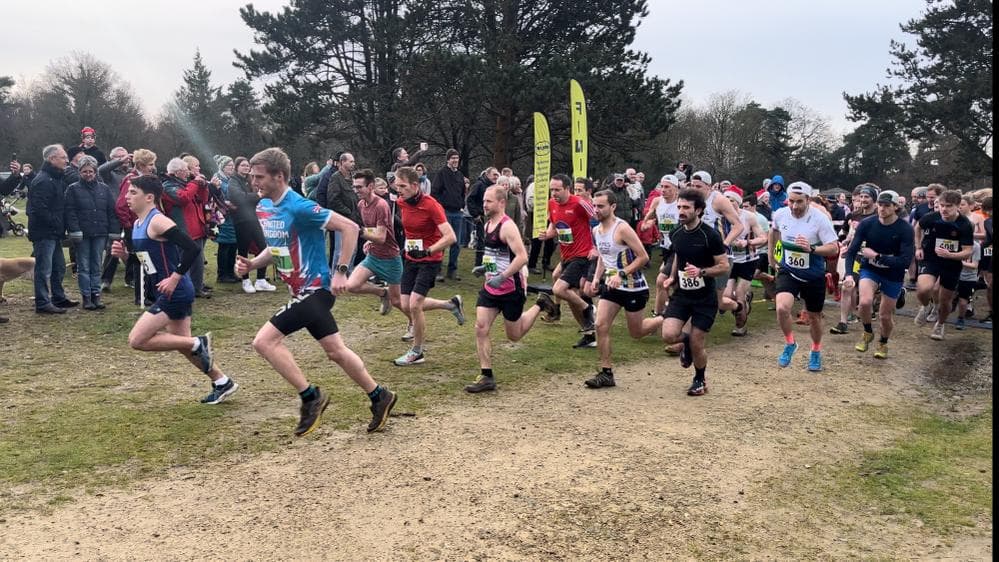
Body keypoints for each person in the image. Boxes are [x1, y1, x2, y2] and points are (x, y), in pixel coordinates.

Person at [237, 147, 397, 435]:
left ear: (279, 176)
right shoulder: (264, 207)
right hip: (298, 291)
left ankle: (311, 397)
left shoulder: (299, 206)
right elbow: (277, 247)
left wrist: (341, 271)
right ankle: (379, 395)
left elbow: (349, 227)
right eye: (252, 176)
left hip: (315, 290)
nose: (254, 182)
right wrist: (253, 263)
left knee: (264, 342)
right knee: (336, 351)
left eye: (259, 177)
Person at [110, 175, 238, 405]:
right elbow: (146, 261)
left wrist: (174, 277)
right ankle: (222, 381)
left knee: (137, 340)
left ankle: (198, 342)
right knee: (184, 345)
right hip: (165, 290)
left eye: (133, 192)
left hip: (175, 292)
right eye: (128, 192)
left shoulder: (158, 221)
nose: (127, 197)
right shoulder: (138, 224)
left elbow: (192, 248)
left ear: (149, 197)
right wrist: (125, 256)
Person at [465, 186, 545, 393]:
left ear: (501, 203)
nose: (484, 205)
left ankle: (540, 304)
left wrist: (502, 277)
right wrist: (484, 268)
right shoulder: (487, 224)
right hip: (490, 289)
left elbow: (522, 257)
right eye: (484, 201)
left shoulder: (508, 227)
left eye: (489, 201)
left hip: (511, 289)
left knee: (514, 336)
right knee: (480, 327)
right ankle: (486, 376)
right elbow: (495, 255)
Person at [582, 190, 662, 388]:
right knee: (600, 325)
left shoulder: (622, 228)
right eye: (594, 206)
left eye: (601, 206)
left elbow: (643, 257)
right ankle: (606, 372)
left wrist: (621, 274)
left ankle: (665, 318)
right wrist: (596, 278)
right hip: (612, 287)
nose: (596, 210)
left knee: (637, 332)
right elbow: (603, 257)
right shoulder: (596, 230)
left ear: (613, 207)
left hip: (633, 287)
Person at [659, 188, 730, 396]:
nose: (681, 211)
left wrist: (702, 272)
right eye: (679, 207)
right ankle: (686, 344)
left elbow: (724, 266)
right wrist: (672, 277)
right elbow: (678, 257)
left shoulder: (710, 235)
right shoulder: (676, 233)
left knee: (697, 341)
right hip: (682, 295)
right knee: (668, 335)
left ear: (698, 210)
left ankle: (699, 379)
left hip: (705, 298)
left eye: (686, 208)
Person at [394, 166, 465, 365]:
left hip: (430, 260)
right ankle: (450, 304)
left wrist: (428, 251)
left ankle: (417, 351)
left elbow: (450, 237)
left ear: (415, 185)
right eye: (397, 186)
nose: (399, 190)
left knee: (415, 305)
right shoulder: (401, 202)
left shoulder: (431, 205)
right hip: (411, 258)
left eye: (403, 186)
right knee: (405, 304)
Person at [769, 182, 840, 372]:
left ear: (808, 200)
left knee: (814, 317)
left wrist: (812, 249)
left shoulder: (820, 219)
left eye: (799, 202)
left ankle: (815, 350)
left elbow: (834, 248)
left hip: (813, 275)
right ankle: (790, 343)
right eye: (791, 201)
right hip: (789, 271)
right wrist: (772, 258)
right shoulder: (780, 214)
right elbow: (774, 232)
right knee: (782, 307)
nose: (794, 206)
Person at [844, 191, 915, 359]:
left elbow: (905, 261)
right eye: (880, 205)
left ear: (896, 207)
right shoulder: (867, 223)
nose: (882, 209)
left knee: (884, 315)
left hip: (893, 273)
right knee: (865, 302)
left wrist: (877, 256)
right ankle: (867, 332)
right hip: (870, 270)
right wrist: (848, 275)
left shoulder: (905, 229)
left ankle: (883, 342)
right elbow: (852, 251)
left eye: (887, 206)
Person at [537, 173, 598, 348]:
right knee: (571, 298)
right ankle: (589, 334)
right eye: (551, 190)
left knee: (559, 288)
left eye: (557, 190)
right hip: (566, 255)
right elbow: (555, 225)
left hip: (582, 255)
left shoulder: (579, 203)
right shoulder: (551, 203)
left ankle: (588, 308)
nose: (554, 193)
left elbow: (600, 220)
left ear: (567, 189)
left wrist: (596, 246)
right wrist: (547, 234)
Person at [913, 190, 974, 340]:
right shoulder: (931, 217)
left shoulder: (965, 224)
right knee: (923, 289)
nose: (944, 209)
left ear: (958, 206)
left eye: (949, 206)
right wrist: (918, 247)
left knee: (945, 300)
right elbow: (918, 227)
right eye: (941, 205)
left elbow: (968, 251)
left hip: (951, 263)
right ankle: (926, 306)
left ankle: (940, 324)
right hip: (930, 258)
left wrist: (951, 255)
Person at [27, 144, 78, 314]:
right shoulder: (42, 181)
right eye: (63, 157)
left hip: (54, 232)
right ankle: (42, 302)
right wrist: (56, 222)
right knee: (44, 269)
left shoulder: (56, 178)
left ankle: (58, 297)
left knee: (59, 267)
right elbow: (39, 208)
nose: (66, 161)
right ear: (52, 159)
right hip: (44, 233)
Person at [64, 155, 118, 310]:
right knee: (84, 266)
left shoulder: (104, 189)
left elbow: (111, 211)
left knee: (96, 265)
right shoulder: (73, 189)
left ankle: (96, 295)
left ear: (95, 172)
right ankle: (86, 297)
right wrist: (75, 230)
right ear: (80, 172)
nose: (88, 174)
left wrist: (114, 231)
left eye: (91, 171)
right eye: (85, 171)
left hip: (100, 232)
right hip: (83, 233)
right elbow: (70, 212)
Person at [345, 169, 401, 315]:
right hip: (373, 256)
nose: (356, 190)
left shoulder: (381, 205)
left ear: (370, 187)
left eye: (359, 187)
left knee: (397, 301)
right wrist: (369, 241)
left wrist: (360, 232)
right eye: (354, 187)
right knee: (351, 285)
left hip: (390, 258)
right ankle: (383, 293)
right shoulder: (361, 205)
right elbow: (373, 231)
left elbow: (381, 238)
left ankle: (414, 321)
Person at [830, 184, 878, 334]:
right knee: (847, 286)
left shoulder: (880, 215)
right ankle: (843, 322)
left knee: (868, 295)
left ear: (874, 199)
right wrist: (845, 242)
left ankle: (871, 312)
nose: (863, 199)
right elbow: (844, 233)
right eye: (861, 197)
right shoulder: (853, 215)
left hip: (876, 258)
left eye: (866, 197)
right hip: (857, 257)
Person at [161, 157, 211, 298]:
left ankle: (197, 288)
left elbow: (202, 200)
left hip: (196, 228)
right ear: (177, 172)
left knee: (198, 262)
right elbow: (183, 198)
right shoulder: (168, 186)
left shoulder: (185, 184)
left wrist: (203, 186)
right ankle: (185, 289)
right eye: (185, 170)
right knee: (185, 262)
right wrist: (195, 183)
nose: (188, 173)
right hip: (183, 230)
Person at [722, 187, 767, 336]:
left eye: (732, 200)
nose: (728, 203)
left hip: (748, 261)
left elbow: (763, 238)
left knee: (739, 293)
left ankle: (740, 327)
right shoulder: (720, 217)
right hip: (729, 261)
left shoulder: (749, 217)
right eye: (726, 200)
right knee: (727, 296)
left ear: (738, 202)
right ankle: (743, 303)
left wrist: (748, 243)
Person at [228, 157, 275, 293]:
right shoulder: (233, 182)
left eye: (247, 165)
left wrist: (255, 196)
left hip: (254, 219)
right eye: (243, 165)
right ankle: (245, 280)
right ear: (237, 167)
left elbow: (253, 197)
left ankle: (261, 279)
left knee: (263, 247)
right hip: (241, 221)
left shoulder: (250, 180)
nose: (246, 167)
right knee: (243, 250)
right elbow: (239, 198)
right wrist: (256, 196)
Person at [641, 174, 681, 316]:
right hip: (665, 247)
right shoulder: (657, 201)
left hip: (679, 248)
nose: (663, 190)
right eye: (662, 186)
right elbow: (650, 215)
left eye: (667, 187)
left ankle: (659, 314)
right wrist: (647, 223)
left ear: (676, 188)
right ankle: (675, 308)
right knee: (675, 283)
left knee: (661, 280)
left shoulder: (681, 202)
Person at [430, 149, 467, 280]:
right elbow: (435, 192)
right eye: (453, 158)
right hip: (444, 211)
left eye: (457, 158)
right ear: (448, 160)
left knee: (456, 242)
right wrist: (440, 206)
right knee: (442, 241)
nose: (455, 160)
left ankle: (452, 270)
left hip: (457, 212)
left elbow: (462, 192)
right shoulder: (441, 173)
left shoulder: (460, 175)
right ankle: (437, 270)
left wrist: (462, 204)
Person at [464, 167, 500, 276]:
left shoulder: (495, 187)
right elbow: (469, 199)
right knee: (482, 242)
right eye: (494, 174)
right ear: (487, 175)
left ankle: (489, 267)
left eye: (497, 175)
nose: (496, 177)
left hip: (492, 217)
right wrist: (475, 214)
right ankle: (478, 265)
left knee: (492, 242)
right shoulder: (479, 185)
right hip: (481, 218)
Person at [212, 155, 241, 285]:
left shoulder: (231, 180)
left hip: (234, 217)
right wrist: (227, 204)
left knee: (233, 245)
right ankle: (222, 274)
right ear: (222, 167)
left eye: (232, 165)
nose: (232, 167)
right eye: (229, 165)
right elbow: (217, 198)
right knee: (224, 246)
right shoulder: (217, 180)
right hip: (224, 217)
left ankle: (230, 272)